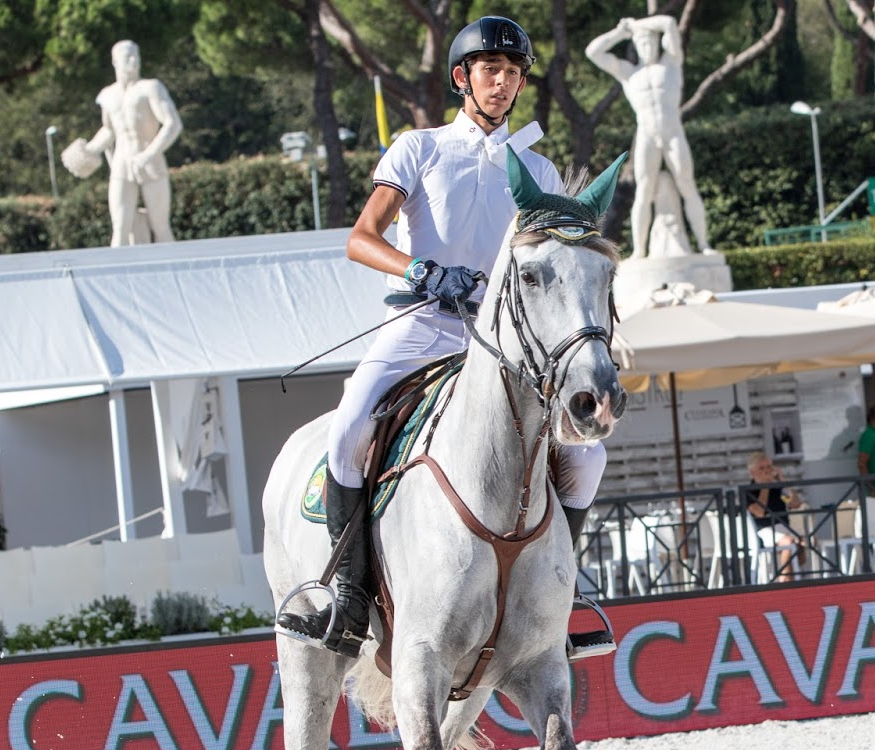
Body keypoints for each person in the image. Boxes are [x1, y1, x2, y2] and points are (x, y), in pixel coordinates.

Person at [276, 16, 608, 656]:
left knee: (586, 455)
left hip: (503, 344)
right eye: (491, 71)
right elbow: (361, 238)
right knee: (348, 429)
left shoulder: (535, 166)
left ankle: (558, 594)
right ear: (463, 78)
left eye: (513, 73)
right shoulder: (418, 149)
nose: (504, 83)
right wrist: (422, 269)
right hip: (424, 324)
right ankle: (348, 596)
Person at [585, 14, 713, 257]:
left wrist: (637, 26)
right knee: (643, 191)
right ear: (636, 46)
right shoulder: (629, 74)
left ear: (658, 43)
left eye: (651, 41)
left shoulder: (671, 63)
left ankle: (704, 244)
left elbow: (668, 24)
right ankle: (640, 251)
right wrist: (621, 32)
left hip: (673, 131)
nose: (648, 46)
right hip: (647, 134)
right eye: (642, 43)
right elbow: (593, 52)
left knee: (687, 185)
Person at [65, 40, 183, 246]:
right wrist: (90, 149)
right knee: (120, 228)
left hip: (150, 162)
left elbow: (173, 124)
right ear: (115, 61)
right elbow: (110, 130)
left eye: (136, 55)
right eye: (127, 56)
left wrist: (149, 154)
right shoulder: (108, 95)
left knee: (161, 227)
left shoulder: (151, 88)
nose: (133, 60)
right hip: (122, 163)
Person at [746, 451, 804, 581]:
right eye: (762, 468)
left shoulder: (778, 488)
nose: (766, 471)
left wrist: (783, 482)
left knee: (804, 542)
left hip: (783, 528)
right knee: (788, 542)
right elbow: (759, 512)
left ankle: (792, 577)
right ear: (752, 472)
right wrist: (765, 487)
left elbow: (796, 503)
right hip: (764, 530)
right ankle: (785, 583)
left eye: (769, 467)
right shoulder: (748, 491)